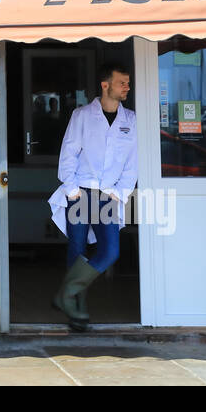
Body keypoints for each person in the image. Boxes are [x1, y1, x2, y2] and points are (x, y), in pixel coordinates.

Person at [46, 62, 138, 331]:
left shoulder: (130, 120)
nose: (127, 88)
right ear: (105, 84)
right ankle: (77, 308)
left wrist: (120, 194)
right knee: (77, 251)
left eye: (128, 83)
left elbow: (132, 164)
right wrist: (72, 191)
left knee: (110, 250)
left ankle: (65, 294)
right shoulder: (82, 115)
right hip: (81, 193)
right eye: (122, 82)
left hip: (109, 196)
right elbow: (68, 155)